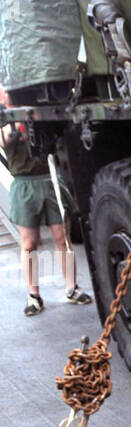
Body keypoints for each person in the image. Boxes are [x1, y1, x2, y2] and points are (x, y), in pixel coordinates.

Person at [1, 120, 91, 314]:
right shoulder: (7, 118)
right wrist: (16, 123)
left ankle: (72, 288)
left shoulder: (38, 111)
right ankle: (34, 296)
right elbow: (3, 141)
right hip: (24, 183)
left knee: (62, 237)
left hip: (50, 178)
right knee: (29, 243)